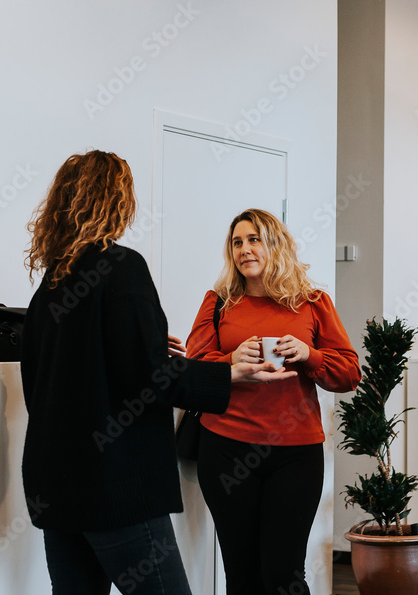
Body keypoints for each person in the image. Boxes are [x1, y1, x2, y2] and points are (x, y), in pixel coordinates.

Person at [20, 150, 294, 595]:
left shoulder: (53, 281)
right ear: (117, 200)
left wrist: (142, 351)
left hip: (56, 486)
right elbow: (148, 379)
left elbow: (48, 381)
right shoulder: (122, 267)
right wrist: (230, 376)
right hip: (114, 488)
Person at [186, 208, 360, 595]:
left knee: (283, 576)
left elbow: (349, 372)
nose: (244, 249)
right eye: (237, 242)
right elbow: (193, 369)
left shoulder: (313, 302)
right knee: (242, 576)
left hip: (296, 454)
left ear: (275, 245)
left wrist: (308, 355)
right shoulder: (218, 302)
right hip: (227, 449)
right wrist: (231, 360)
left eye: (254, 239)